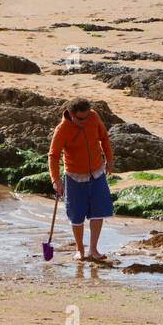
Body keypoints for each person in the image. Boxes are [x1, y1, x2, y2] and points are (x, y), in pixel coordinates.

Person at [48, 97, 115, 261]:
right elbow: (53, 155)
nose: (84, 121)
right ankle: (80, 250)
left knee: (98, 212)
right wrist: (55, 180)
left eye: (86, 117)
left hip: (97, 173)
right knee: (76, 216)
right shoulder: (62, 129)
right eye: (80, 118)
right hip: (74, 177)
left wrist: (109, 159)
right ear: (71, 114)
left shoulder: (93, 117)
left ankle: (93, 249)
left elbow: (104, 137)